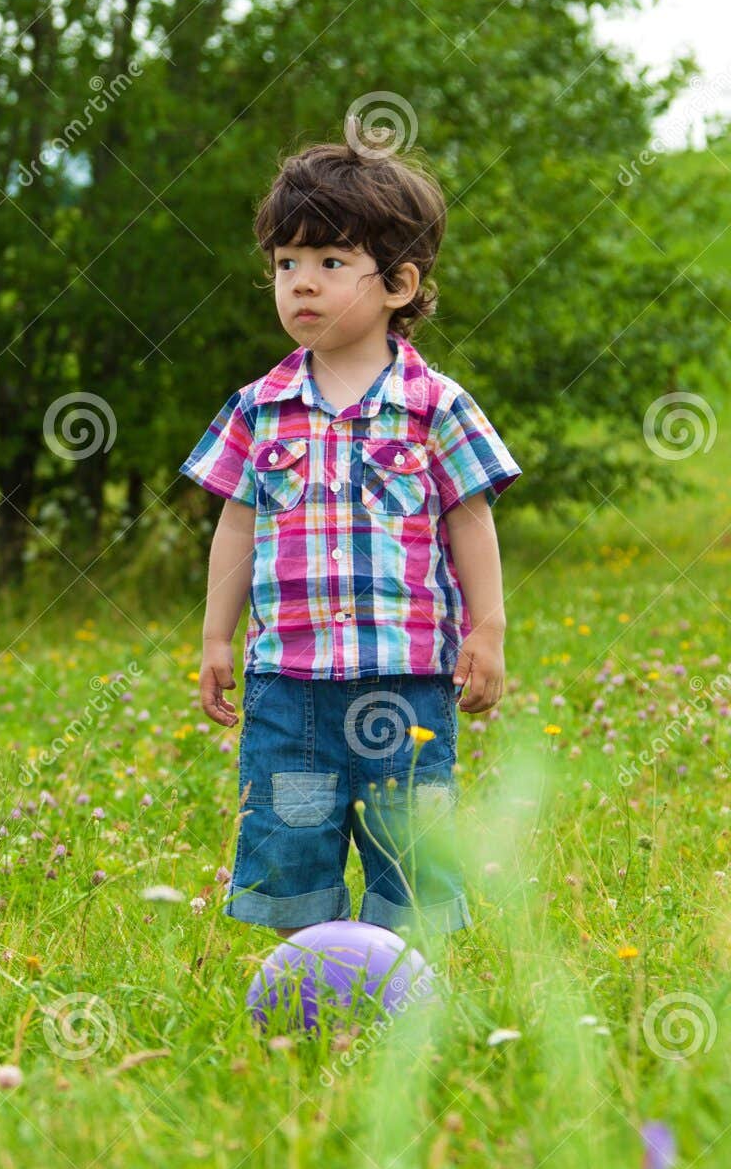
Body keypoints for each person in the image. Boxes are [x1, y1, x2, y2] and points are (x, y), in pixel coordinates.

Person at [181, 130, 520, 939]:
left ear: (399, 282)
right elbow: (237, 519)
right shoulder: (259, 406)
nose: (301, 284)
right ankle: (311, 980)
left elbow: (469, 515)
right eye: (286, 264)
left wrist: (491, 628)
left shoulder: (435, 404)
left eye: (330, 263)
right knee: (290, 836)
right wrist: (215, 635)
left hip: (405, 680)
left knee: (411, 840)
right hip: (288, 686)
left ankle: (411, 987)